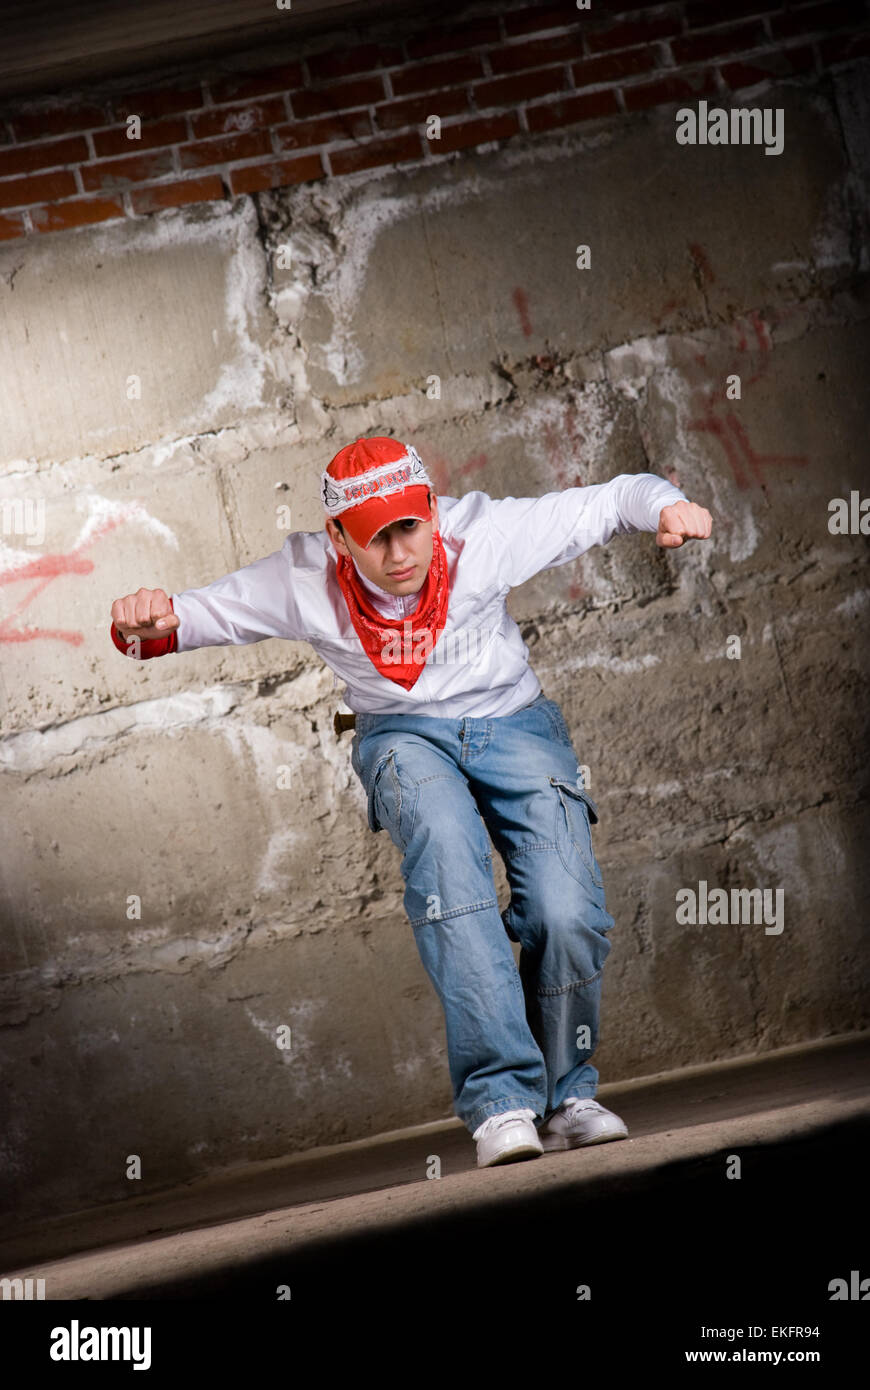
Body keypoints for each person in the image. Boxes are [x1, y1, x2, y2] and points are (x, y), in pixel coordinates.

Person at [110, 436, 712, 1168]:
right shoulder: (304, 577)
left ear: (433, 510)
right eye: (375, 539)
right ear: (338, 538)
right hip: (402, 736)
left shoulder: (483, 535)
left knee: (566, 910)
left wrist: (667, 506)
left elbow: (614, 499)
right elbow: (176, 625)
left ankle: (565, 1096)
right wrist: (142, 618)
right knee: (449, 868)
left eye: (410, 528)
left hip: (514, 725)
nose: (399, 554)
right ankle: (502, 1103)